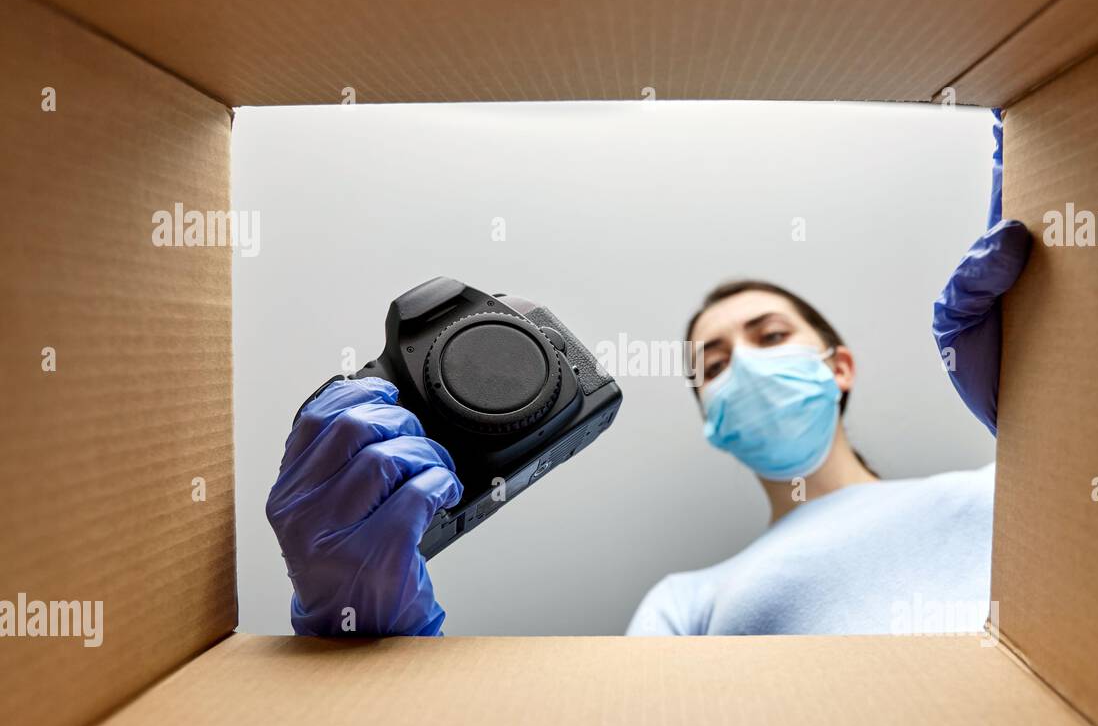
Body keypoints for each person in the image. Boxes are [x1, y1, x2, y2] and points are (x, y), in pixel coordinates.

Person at [265, 110, 1029, 636]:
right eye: (715, 363)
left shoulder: (1011, 489)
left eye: (770, 335)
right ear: (713, 417)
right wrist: (358, 628)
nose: (746, 366)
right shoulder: (686, 604)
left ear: (840, 366)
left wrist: (1052, 419)